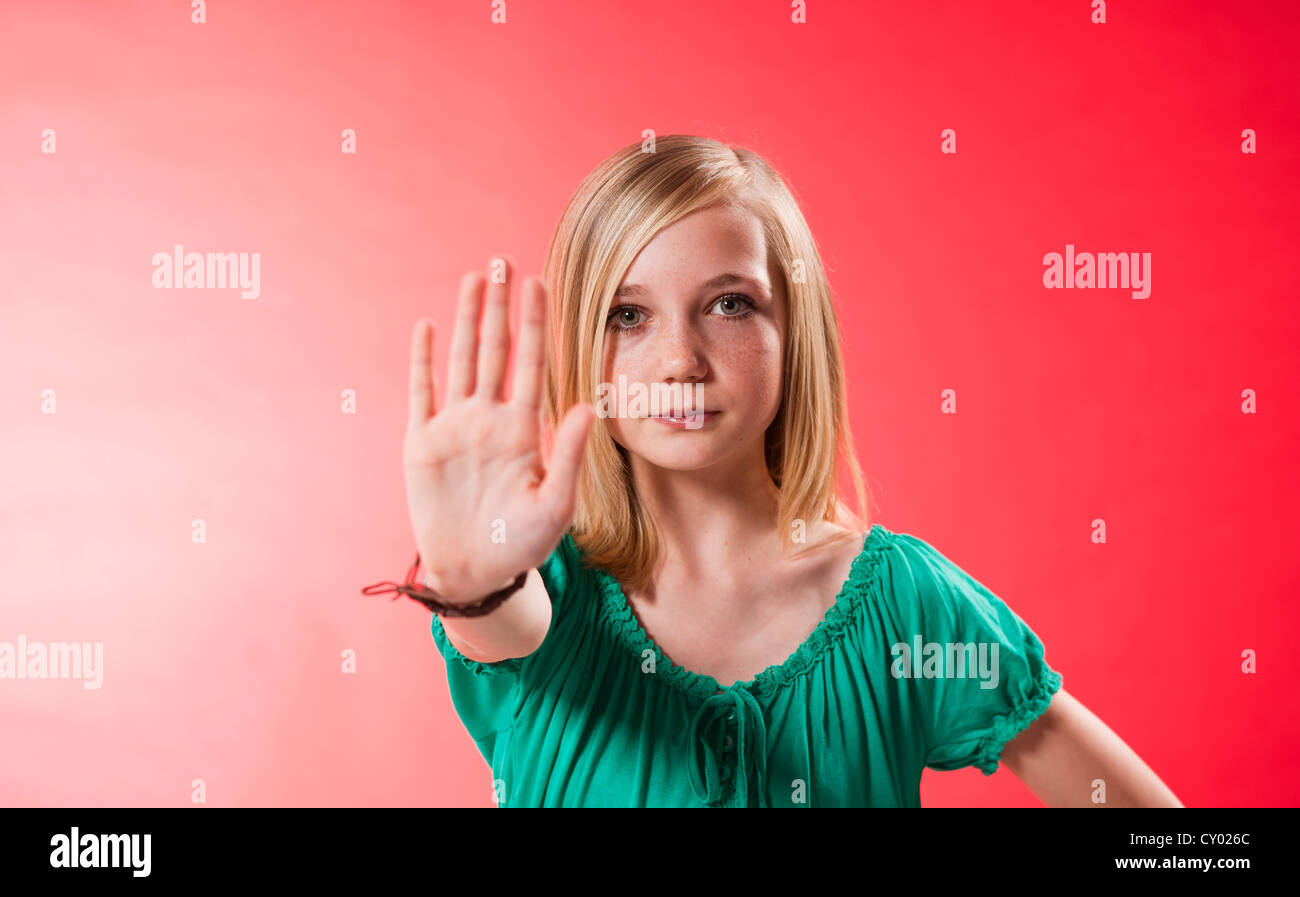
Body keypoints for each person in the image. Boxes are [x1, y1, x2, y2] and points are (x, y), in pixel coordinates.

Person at [401, 135, 1182, 807]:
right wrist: (470, 579)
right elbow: (502, 624)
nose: (680, 359)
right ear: (580, 343)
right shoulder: (545, 589)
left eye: (730, 305)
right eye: (628, 316)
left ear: (793, 334)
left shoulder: (904, 607)